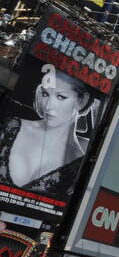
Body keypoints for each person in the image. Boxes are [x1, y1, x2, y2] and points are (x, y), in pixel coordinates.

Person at [0, 67, 96, 201]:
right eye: (45, 94)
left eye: (61, 97)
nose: (48, 106)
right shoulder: (10, 127)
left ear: (82, 101)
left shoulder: (79, 166)